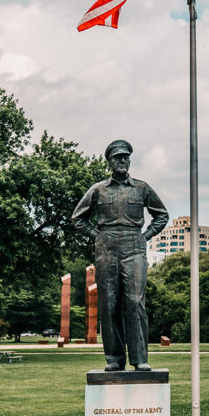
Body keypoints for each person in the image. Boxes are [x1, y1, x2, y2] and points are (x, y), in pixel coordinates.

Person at [71, 140, 168, 371]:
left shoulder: (142, 188)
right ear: (110, 161)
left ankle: (140, 359)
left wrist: (146, 236)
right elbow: (78, 217)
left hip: (134, 245)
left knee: (135, 302)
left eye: (125, 157)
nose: (122, 161)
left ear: (130, 160)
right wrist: (97, 235)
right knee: (109, 304)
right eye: (117, 158)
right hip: (106, 246)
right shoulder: (98, 189)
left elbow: (161, 215)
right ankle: (114, 358)